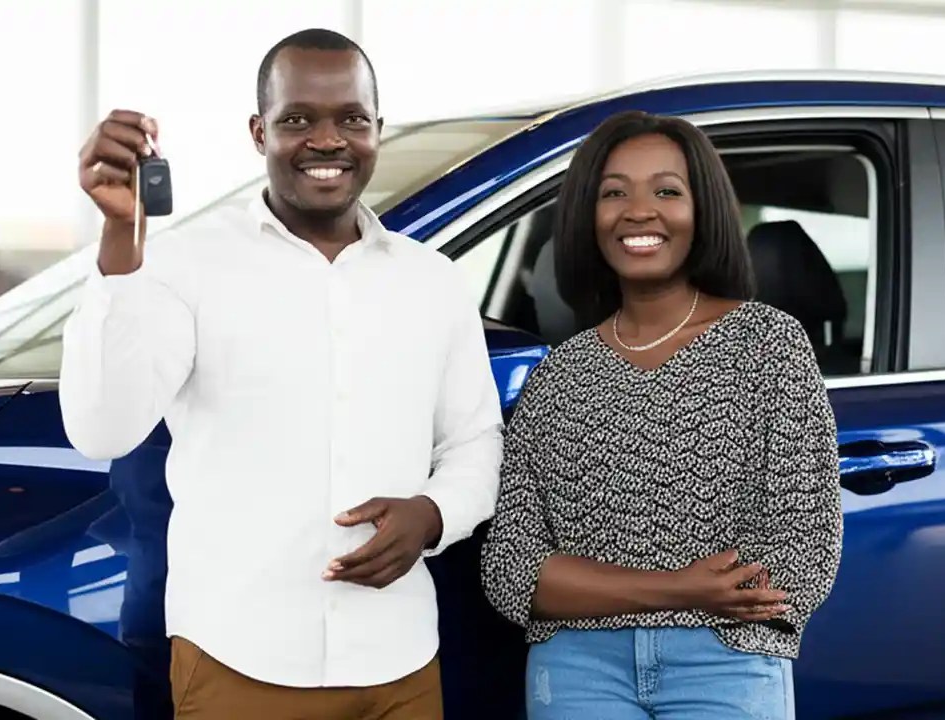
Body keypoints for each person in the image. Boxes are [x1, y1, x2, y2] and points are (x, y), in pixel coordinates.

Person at [60, 28, 504, 720]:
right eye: (298, 119)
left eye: (351, 119)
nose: (327, 140)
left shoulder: (434, 282)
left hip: (399, 661)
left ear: (376, 131)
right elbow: (101, 428)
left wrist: (433, 514)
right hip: (239, 659)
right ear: (258, 130)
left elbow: (476, 442)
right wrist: (120, 242)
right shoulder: (185, 264)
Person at [479, 110, 843, 720]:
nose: (639, 210)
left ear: (702, 212)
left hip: (726, 663)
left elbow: (802, 558)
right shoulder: (560, 376)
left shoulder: (768, 346)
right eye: (613, 192)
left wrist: (592, 586)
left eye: (667, 191)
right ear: (586, 217)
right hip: (577, 671)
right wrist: (685, 588)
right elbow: (511, 573)